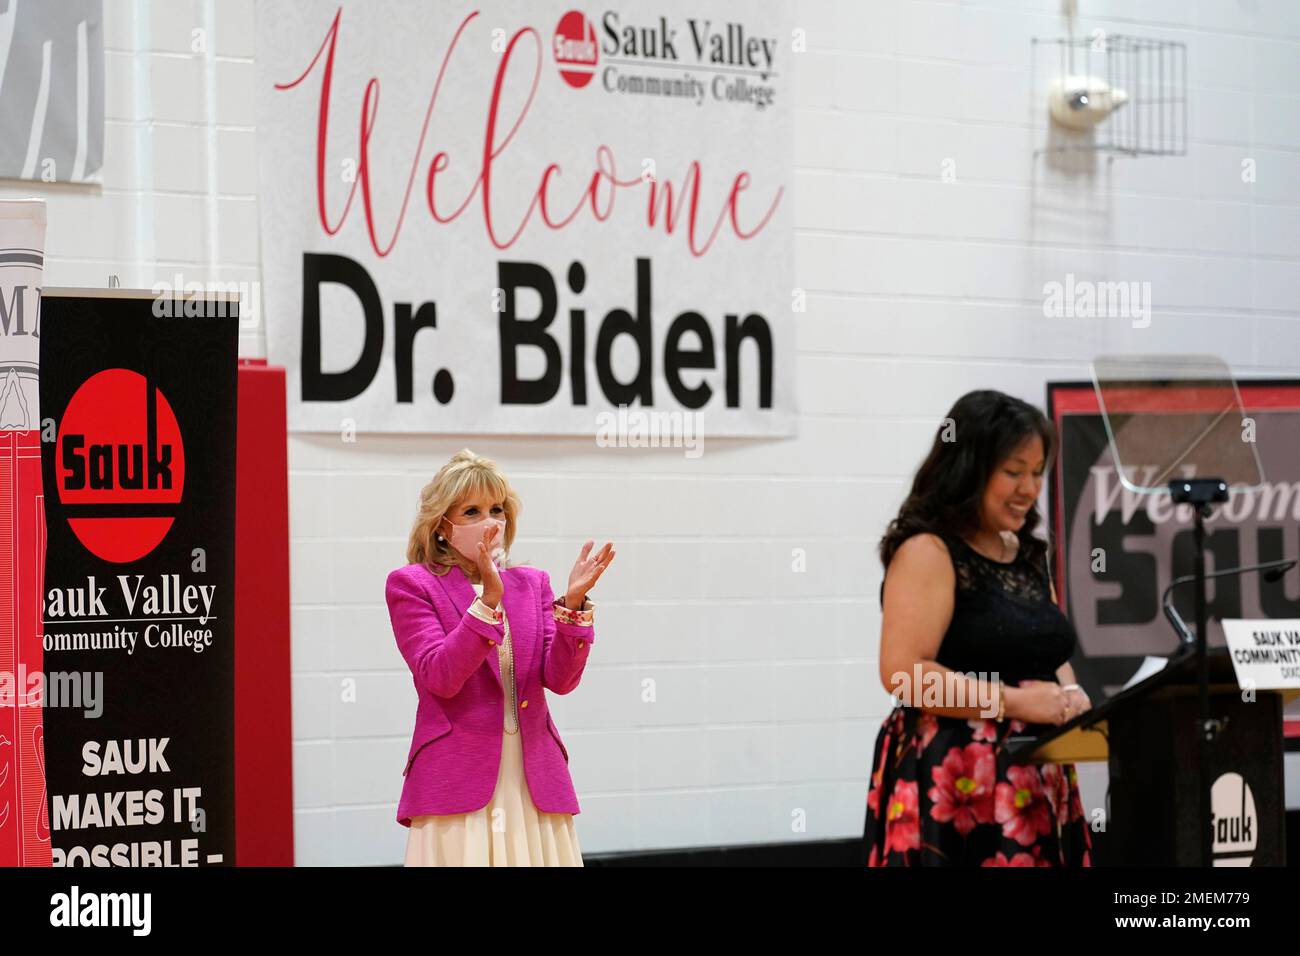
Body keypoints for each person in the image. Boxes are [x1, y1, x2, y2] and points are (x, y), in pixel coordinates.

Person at [864, 390, 1093, 867]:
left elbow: (1047, 652)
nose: (1029, 488)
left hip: (1034, 776)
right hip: (955, 777)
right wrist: (1013, 702)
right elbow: (903, 674)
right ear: (969, 469)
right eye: (1013, 471)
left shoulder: (1026, 553)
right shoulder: (928, 550)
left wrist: (1070, 694)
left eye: (1036, 472)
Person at [386, 449, 614, 866]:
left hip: (533, 777)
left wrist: (574, 606)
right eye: (471, 511)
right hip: (457, 777)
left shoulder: (532, 583)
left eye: (496, 509)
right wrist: (488, 602)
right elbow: (441, 676)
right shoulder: (412, 584)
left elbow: (560, 680)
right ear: (442, 526)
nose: (489, 521)